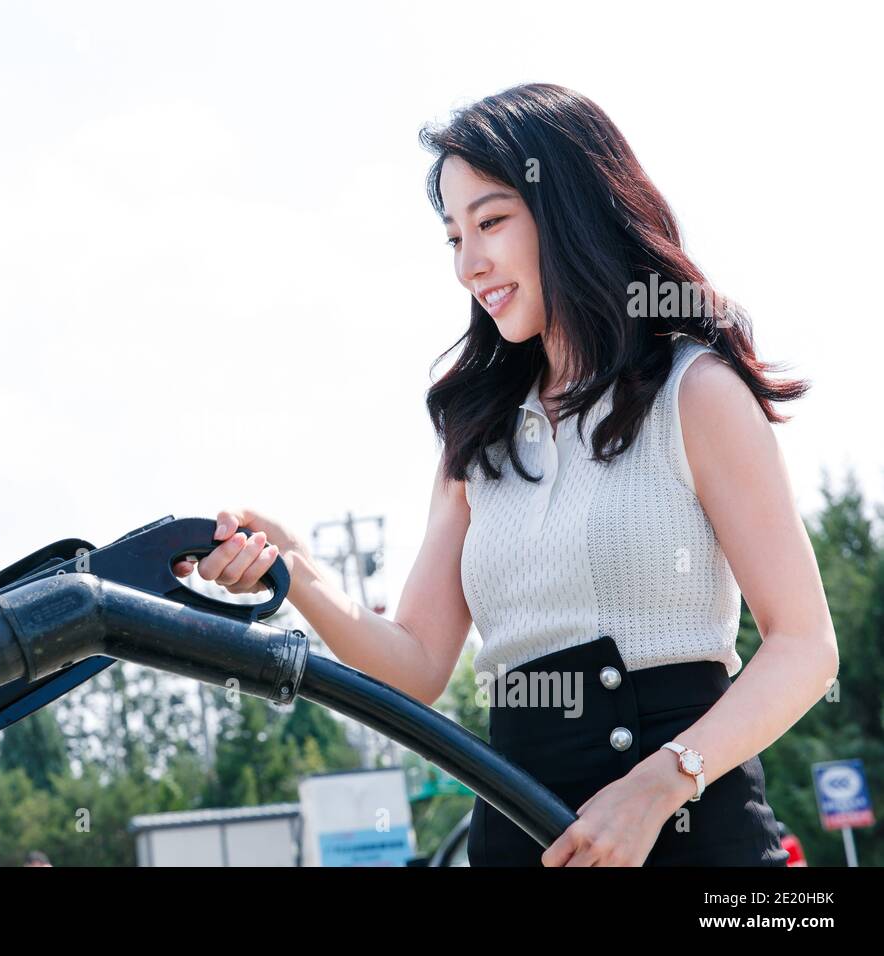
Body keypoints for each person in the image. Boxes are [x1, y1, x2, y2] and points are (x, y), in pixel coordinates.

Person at [172, 83, 839, 867]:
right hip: (520, 832)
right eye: (453, 236)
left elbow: (804, 646)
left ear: (571, 212)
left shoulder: (694, 394)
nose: (469, 263)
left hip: (691, 833)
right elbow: (418, 664)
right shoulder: (476, 428)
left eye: (490, 221)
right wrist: (299, 572)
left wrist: (660, 785)